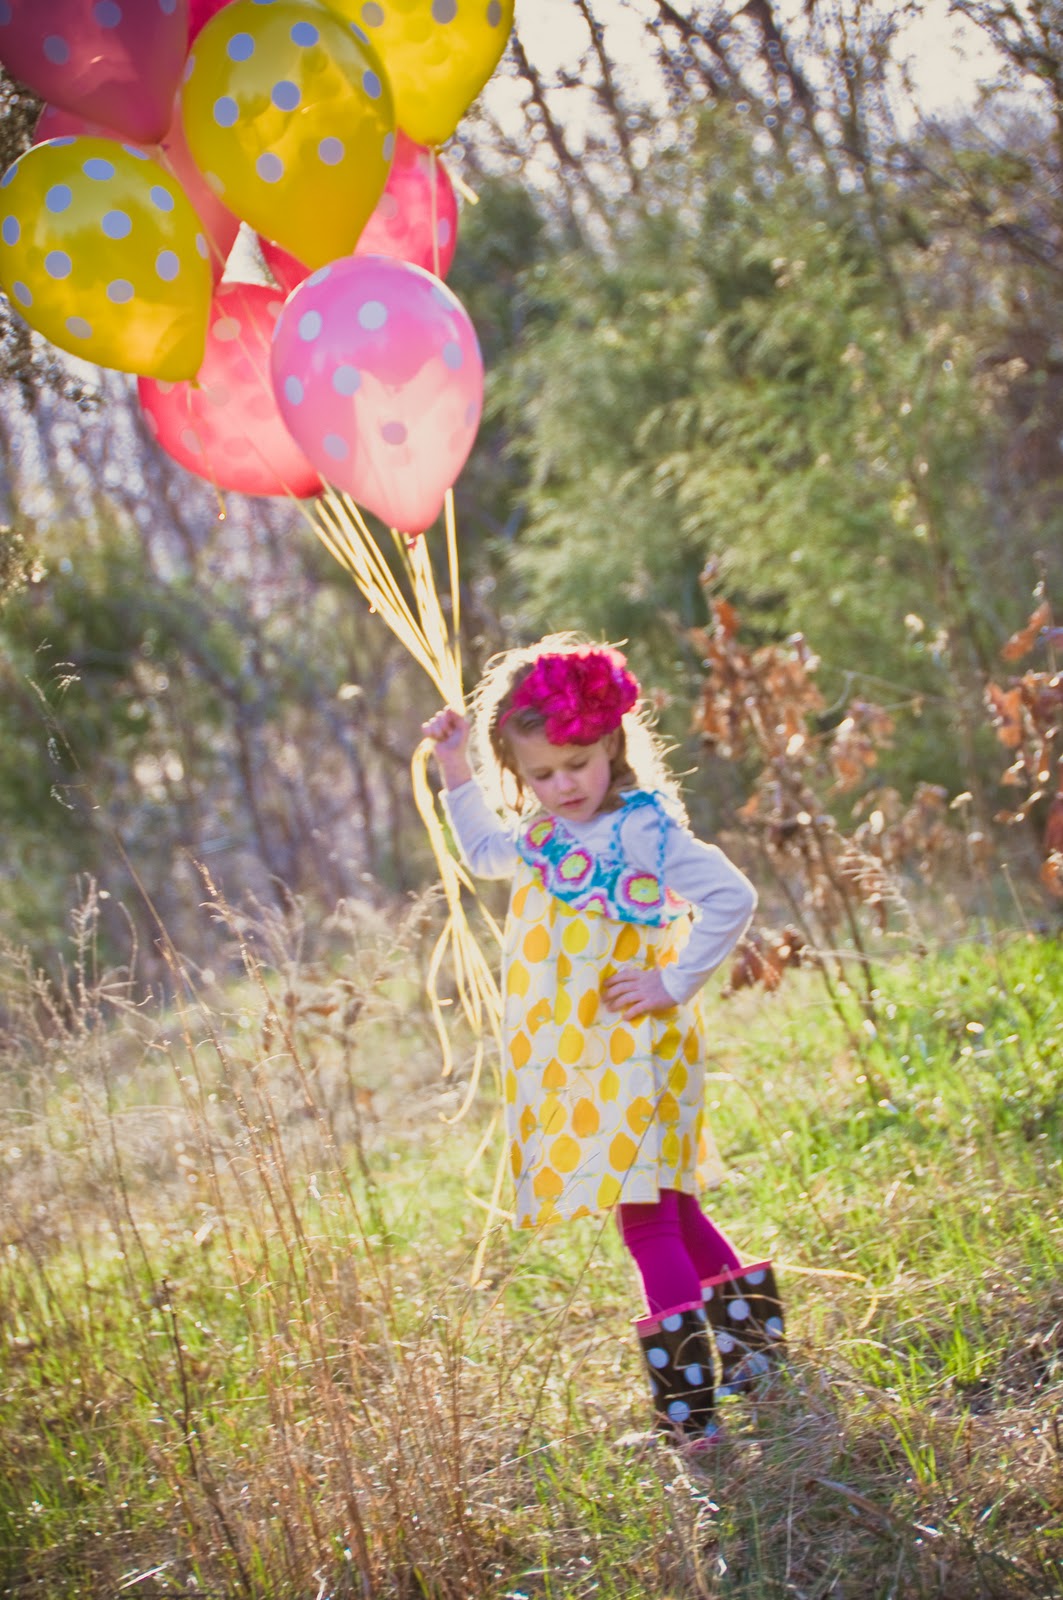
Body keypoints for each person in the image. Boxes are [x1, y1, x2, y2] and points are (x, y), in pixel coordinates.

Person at [422, 636, 785, 1450]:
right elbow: (482, 852)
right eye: (541, 775)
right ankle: (756, 1355)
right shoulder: (544, 835)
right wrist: (454, 765)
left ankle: (688, 1415)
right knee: (676, 1207)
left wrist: (673, 980)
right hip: (586, 1058)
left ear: (611, 744)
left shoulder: (640, 832)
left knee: (645, 1221)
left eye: (576, 764)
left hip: (637, 1045)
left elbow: (731, 897)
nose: (562, 786)